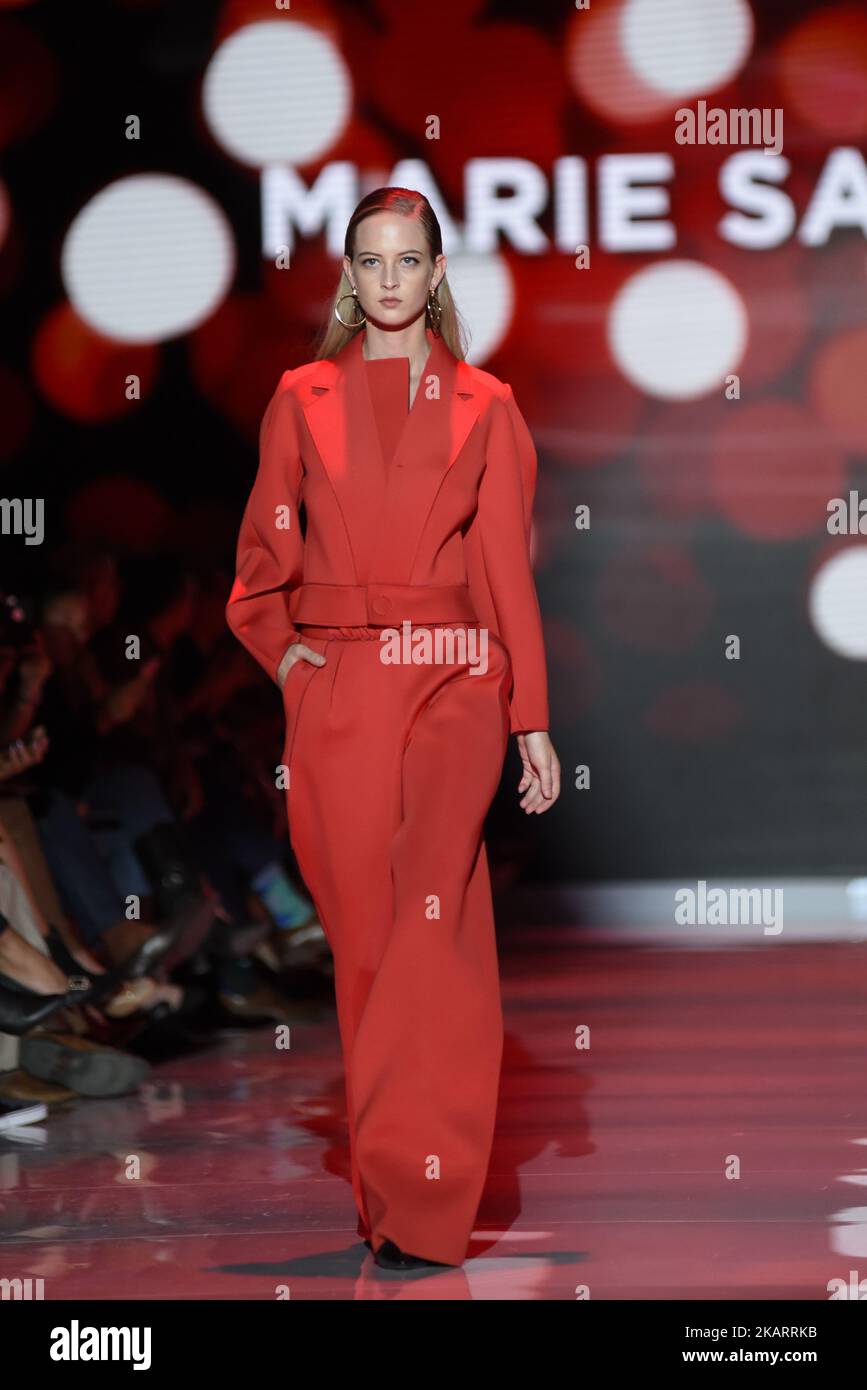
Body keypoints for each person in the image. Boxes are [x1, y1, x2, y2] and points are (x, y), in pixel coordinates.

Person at [226, 186, 561, 1271]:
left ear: (435, 272)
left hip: (455, 678)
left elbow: (505, 573)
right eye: (368, 261)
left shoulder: (487, 404)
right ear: (349, 275)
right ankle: (388, 1190)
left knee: (431, 908)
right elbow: (257, 576)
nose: (386, 280)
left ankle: (431, 1190)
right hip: (338, 694)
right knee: (367, 946)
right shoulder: (299, 397)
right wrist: (286, 660)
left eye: (405, 261)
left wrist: (530, 723)